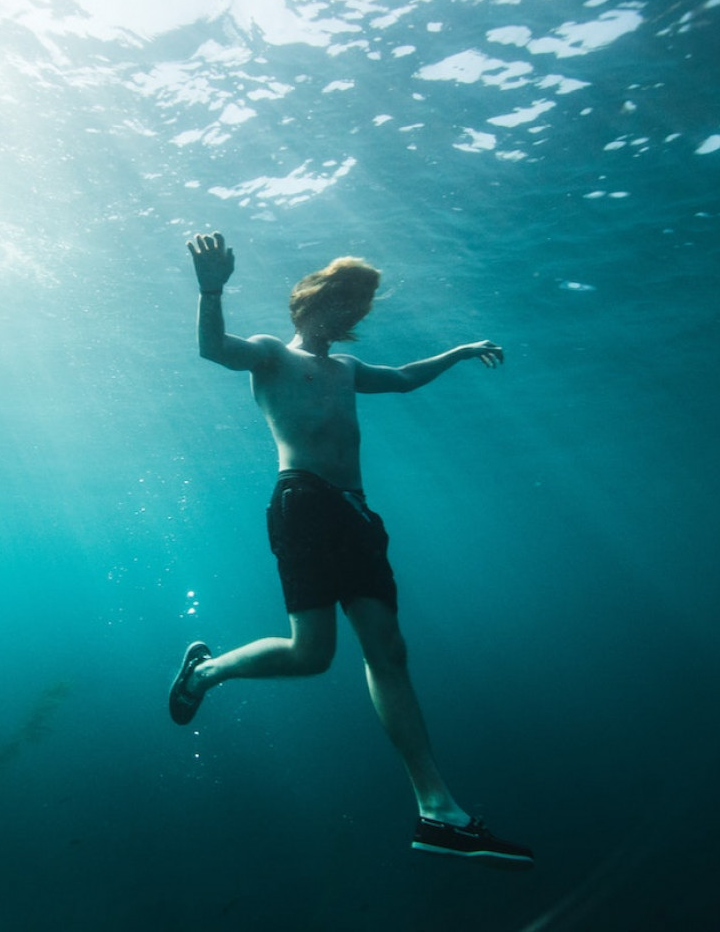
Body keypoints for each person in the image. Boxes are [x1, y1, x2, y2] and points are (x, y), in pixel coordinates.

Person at [168, 231, 533, 867]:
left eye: (358, 309)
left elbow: (407, 378)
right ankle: (204, 673)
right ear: (309, 305)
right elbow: (213, 349)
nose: (351, 317)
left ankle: (437, 812)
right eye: (342, 304)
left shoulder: (348, 370)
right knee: (313, 655)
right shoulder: (270, 355)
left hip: (357, 512)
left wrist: (463, 350)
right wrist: (211, 288)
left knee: (389, 652)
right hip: (303, 500)